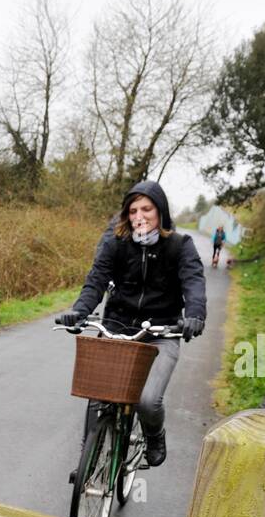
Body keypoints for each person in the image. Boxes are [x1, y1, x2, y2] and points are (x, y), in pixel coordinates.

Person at [55, 179, 206, 467]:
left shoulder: (179, 246)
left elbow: (194, 281)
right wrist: (79, 311)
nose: (140, 216)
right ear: (127, 215)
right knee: (98, 394)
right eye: (133, 210)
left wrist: (195, 315)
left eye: (147, 209)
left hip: (162, 333)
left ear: (160, 211)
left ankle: (153, 434)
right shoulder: (116, 244)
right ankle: (88, 458)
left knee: (147, 401)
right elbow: (95, 282)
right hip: (117, 327)